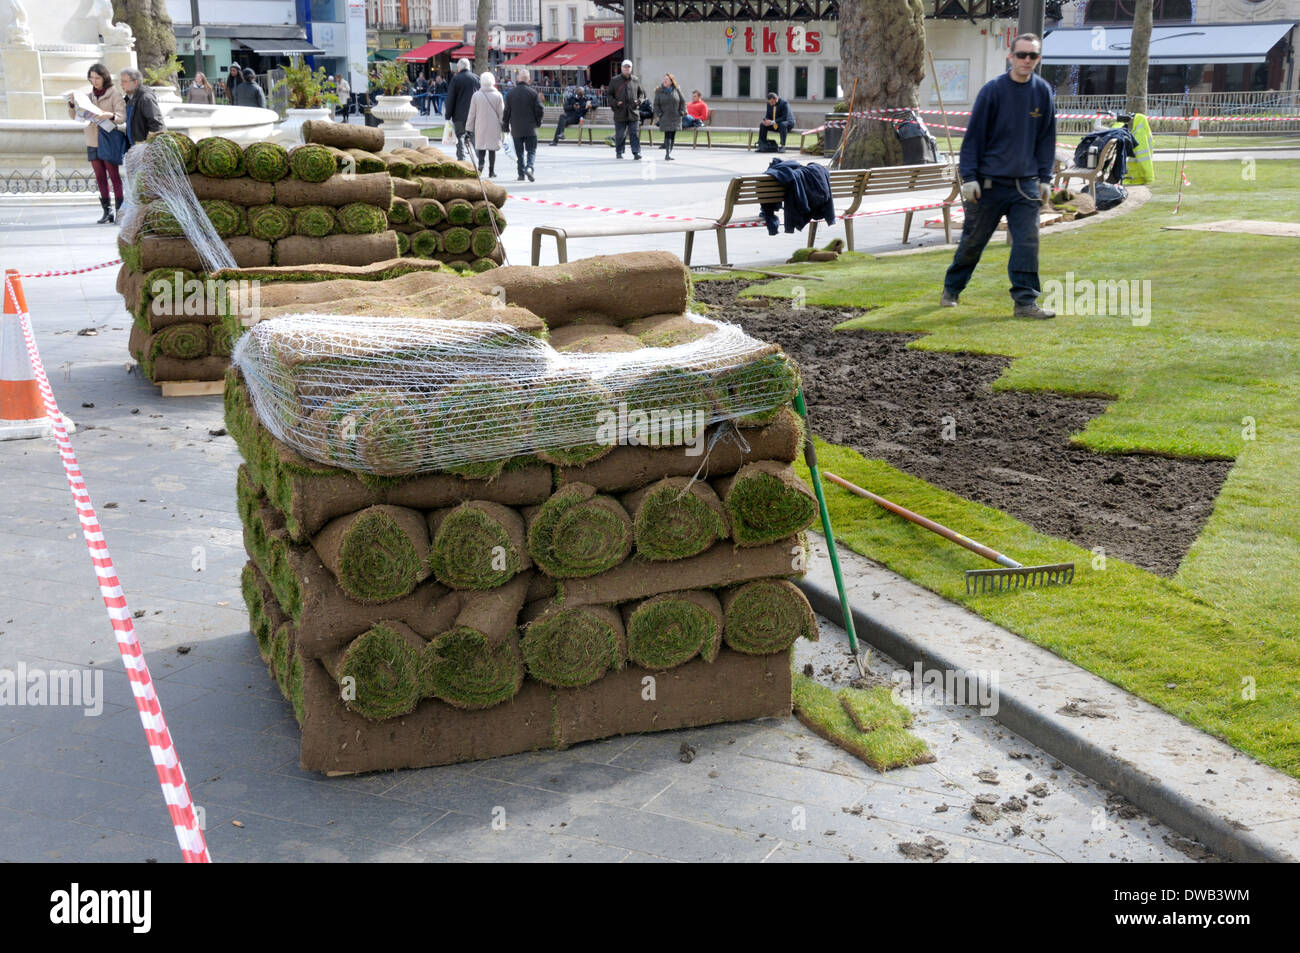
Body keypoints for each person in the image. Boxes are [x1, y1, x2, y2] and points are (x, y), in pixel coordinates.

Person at [941, 33, 1057, 319]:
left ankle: (1025, 303)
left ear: (1038, 59)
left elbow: (1046, 140)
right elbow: (973, 140)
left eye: (1032, 56)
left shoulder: (1042, 92)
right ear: (1011, 57)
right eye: (1021, 55)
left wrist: (1046, 178)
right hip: (988, 186)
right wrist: (968, 178)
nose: (1026, 61)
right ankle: (952, 289)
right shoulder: (992, 91)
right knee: (973, 242)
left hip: (1026, 186)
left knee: (1027, 243)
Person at [66, 63, 126, 224]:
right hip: (92, 140)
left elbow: (121, 116)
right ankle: (107, 212)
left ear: (104, 77)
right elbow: (74, 116)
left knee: (114, 176)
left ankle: (120, 210)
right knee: (100, 177)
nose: (94, 81)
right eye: (91, 78)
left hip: (108, 139)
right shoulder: (87, 96)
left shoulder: (114, 94)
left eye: (97, 78)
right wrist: (72, 104)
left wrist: (110, 115)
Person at [501, 69, 543, 181]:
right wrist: (538, 122)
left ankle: (521, 173)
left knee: (519, 153)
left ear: (518, 79)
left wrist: (505, 125)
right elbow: (539, 109)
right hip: (530, 127)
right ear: (528, 79)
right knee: (531, 150)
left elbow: (506, 112)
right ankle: (529, 167)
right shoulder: (533, 93)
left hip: (516, 127)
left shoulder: (510, 94)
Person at [466, 71, 505, 178]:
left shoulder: (476, 96)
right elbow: (502, 113)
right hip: (494, 126)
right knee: (492, 149)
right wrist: (505, 127)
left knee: (482, 147)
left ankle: (480, 166)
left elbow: (472, 114)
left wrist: (468, 128)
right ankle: (491, 171)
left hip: (480, 125)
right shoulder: (498, 95)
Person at [444, 58, 480, 162]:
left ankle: (462, 159)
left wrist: (448, 115)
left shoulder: (456, 79)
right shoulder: (476, 78)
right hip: (474, 114)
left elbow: (450, 98)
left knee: (460, 136)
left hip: (459, 114)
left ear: (459, 67)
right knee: (473, 137)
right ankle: (480, 159)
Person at [119, 67, 165, 147]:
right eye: (121, 81)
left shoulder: (145, 98)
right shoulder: (129, 98)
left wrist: (150, 146)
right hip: (135, 147)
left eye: (125, 81)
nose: (121, 84)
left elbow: (157, 124)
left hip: (145, 148)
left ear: (135, 83)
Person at [608, 59, 643, 160]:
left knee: (634, 133)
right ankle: (619, 152)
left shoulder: (636, 80)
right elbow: (609, 95)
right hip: (620, 111)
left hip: (633, 111)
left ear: (631, 68)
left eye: (629, 67)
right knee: (620, 134)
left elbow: (642, 94)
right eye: (625, 67)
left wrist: (639, 101)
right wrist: (615, 103)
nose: (627, 69)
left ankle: (636, 152)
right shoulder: (615, 80)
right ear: (621, 68)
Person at [653, 73, 685, 161]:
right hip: (665, 116)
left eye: (667, 79)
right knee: (667, 135)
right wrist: (659, 114)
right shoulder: (659, 91)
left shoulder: (676, 90)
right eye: (664, 79)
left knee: (673, 135)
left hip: (676, 116)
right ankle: (667, 154)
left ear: (671, 81)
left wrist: (681, 111)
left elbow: (683, 101)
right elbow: (656, 104)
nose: (664, 81)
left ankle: (669, 153)